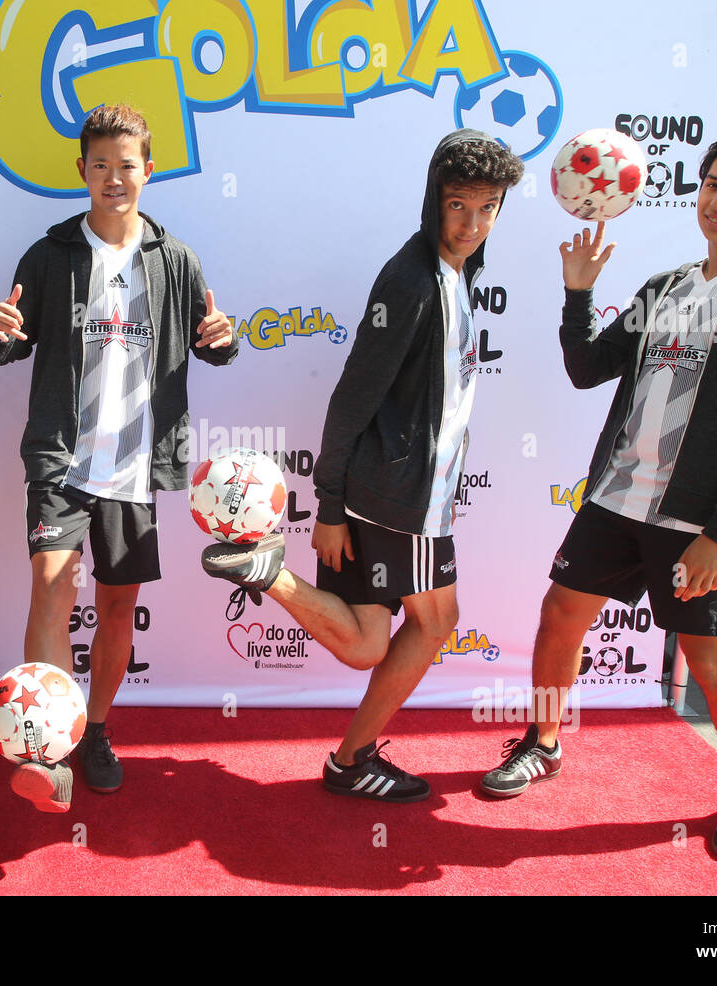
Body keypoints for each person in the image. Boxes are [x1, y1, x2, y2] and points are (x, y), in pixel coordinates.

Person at [477, 131, 717, 863]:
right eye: (712, 185)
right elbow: (586, 368)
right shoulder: (664, 287)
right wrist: (578, 294)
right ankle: (543, 741)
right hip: (617, 500)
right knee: (559, 616)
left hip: (698, 519)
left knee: (710, 659)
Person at [203, 130, 524, 801]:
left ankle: (274, 581)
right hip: (399, 498)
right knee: (434, 623)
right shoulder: (411, 279)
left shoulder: (455, 271)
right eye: (457, 205)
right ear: (432, 200)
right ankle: (351, 759)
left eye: (487, 207)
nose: (470, 223)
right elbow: (352, 395)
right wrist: (327, 506)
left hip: (401, 494)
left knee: (367, 640)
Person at [0, 104, 237, 812]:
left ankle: (93, 730)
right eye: (101, 165)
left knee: (118, 603)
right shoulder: (51, 254)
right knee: (52, 588)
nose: (114, 178)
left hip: (136, 464)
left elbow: (210, 341)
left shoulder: (174, 257)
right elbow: (10, 340)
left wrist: (219, 337)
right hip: (62, 458)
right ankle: (47, 747)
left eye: (128, 165)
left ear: (148, 170)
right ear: (82, 171)